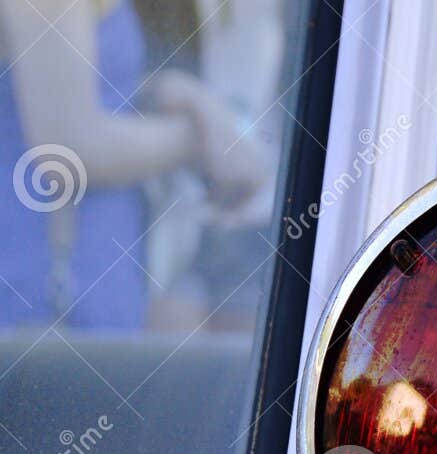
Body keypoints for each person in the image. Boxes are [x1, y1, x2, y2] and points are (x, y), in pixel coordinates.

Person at [0, 0, 264, 329]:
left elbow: (73, 85)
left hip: (96, 286)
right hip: (41, 296)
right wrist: (200, 141)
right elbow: (69, 148)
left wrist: (172, 93)